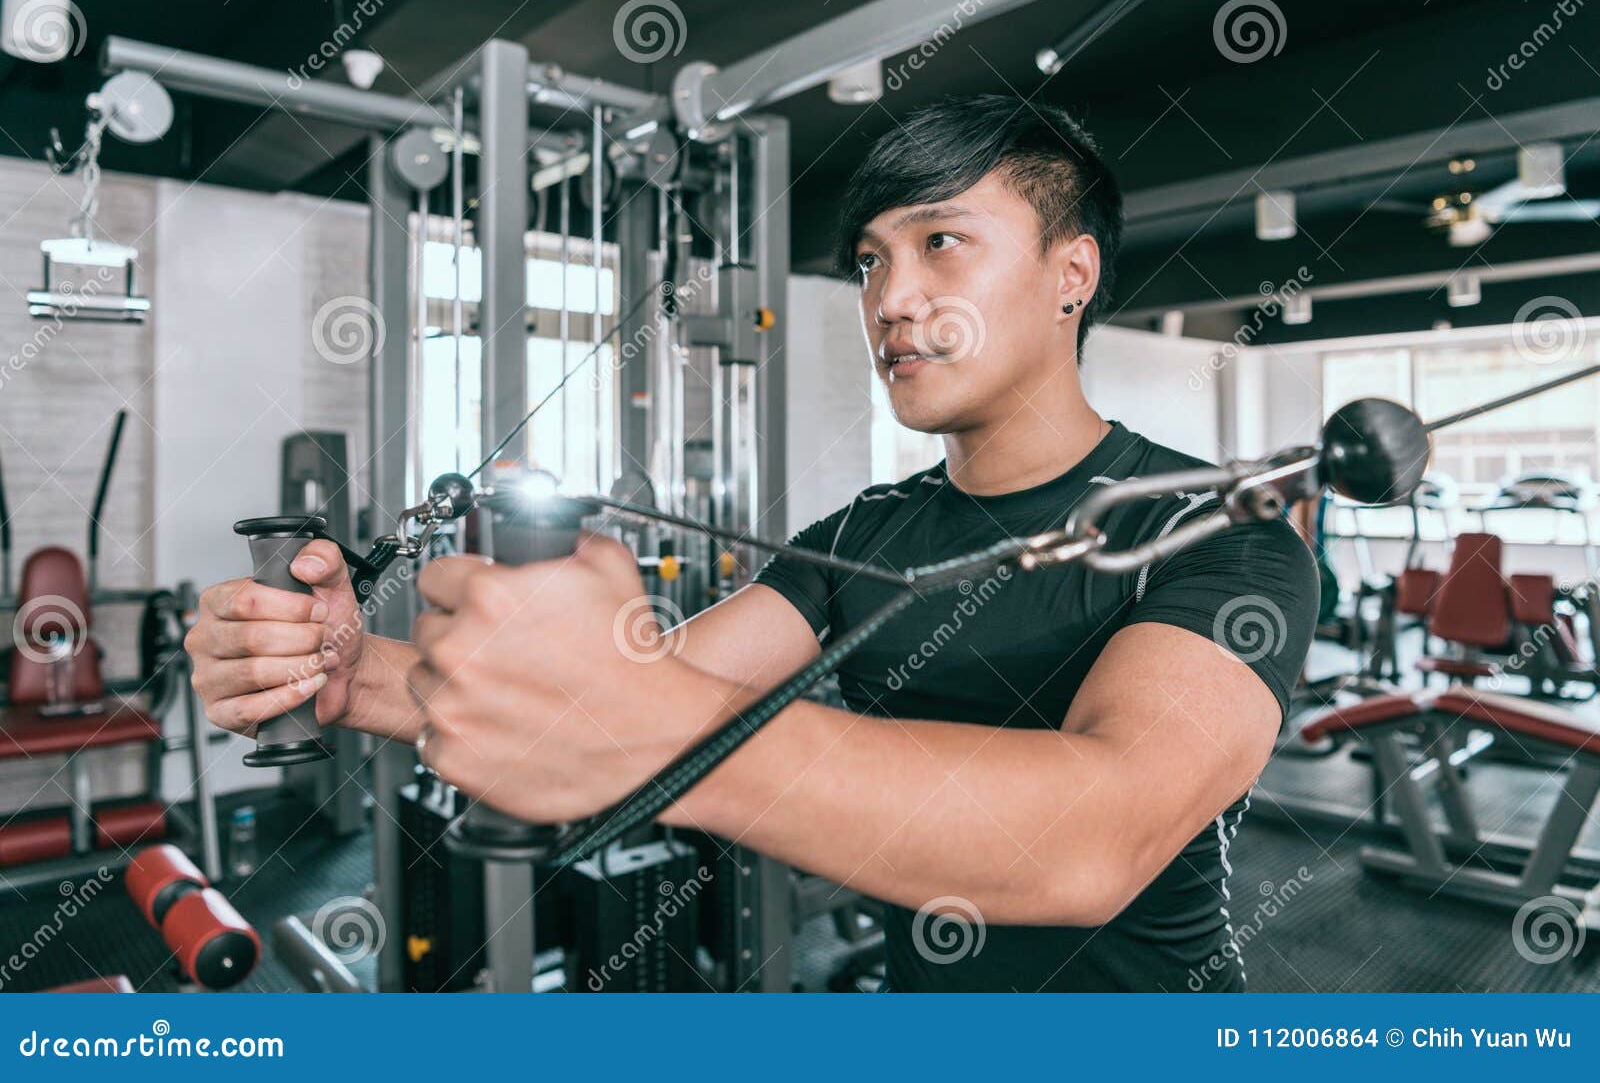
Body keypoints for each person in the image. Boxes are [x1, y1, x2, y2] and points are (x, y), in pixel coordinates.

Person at [186, 95, 1317, 992]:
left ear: (1070, 274)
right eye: (872, 260)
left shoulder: (1211, 530)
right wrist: (346, 670)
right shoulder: (865, 536)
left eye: (940, 244)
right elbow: (607, 702)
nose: (890, 298)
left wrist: (660, 732)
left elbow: (1096, 839)